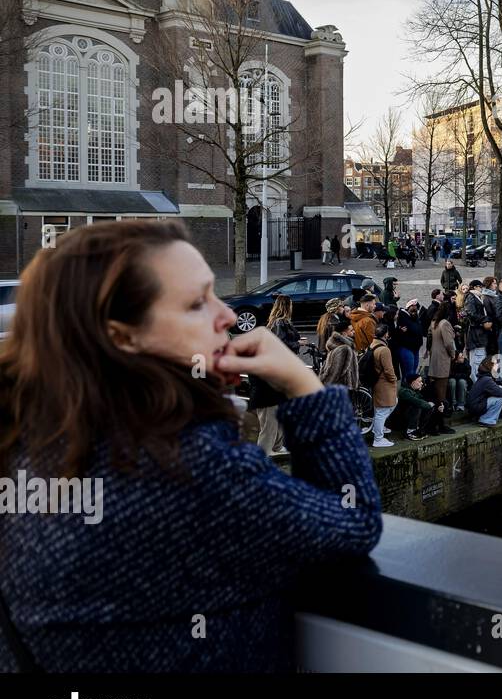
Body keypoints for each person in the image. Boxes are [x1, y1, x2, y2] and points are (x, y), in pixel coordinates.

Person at [0, 220, 381, 673]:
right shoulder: (187, 465)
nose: (224, 315)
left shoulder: (29, 441)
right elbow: (353, 522)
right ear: (123, 336)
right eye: (197, 302)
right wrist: (303, 384)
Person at [256, 294, 302, 455]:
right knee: (271, 418)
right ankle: (265, 452)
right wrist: (298, 343)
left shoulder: (274, 322)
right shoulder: (280, 323)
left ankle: (276, 445)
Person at [368, 322, 400, 447]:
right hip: (384, 383)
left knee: (380, 409)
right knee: (383, 411)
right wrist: (394, 379)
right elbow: (388, 369)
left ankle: (378, 430)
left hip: (377, 382)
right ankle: (378, 438)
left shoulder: (373, 345)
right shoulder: (384, 350)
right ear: (386, 334)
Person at [425, 300, 458, 416]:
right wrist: (453, 354)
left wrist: (428, 350)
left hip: (434, 357)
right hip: (443, 358)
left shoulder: (434, 322)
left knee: (435, 386)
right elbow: (449, 343)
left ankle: (438, 409)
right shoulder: (445, 323)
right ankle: (441, 412)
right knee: (441, 387)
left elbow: (429, 338)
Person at [397, 375, 448, 439]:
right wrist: (430, 404)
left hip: (408, 418)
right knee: (418, 406)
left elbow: (425, 401)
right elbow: (418, 402)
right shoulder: (404, 391)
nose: (422, 383)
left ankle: (420, 429)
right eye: (420, 381)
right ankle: (410, 431)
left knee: (431, 407)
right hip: (400, 420)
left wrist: (438, 407)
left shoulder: (416, 392)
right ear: (413, 382)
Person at [467, 359, 502, 426]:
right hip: (475, 407)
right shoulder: (487, 379)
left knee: (498, 397)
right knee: (499, 400)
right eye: (496, 364)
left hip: (475, 405)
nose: (497, 366)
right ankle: (486, 420)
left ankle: (485, 417)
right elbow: (498, 391)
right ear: (490, 366)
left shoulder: (484, 377)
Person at [321, 317, 359, 390]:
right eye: (351, 330)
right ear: (344, 334)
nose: (353, 332)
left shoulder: (340, 346)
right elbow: (335, 371)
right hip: (342, 388)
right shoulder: (344, 349)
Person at [464, 279, 492, 375]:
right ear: (475, 287)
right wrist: (485, 319)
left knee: (480, 357)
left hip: (479, 330)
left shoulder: (477, 296)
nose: (481, 288)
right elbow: (471, 313)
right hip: (475, 331)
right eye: (480, 287)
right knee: (476, 359)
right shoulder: (471, 296)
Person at [393, 299, 423, 382]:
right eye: (413, 307)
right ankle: (405, 391)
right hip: (406, 348)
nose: (415, 310)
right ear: (408, 307)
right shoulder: (403, 317)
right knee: (408, 374)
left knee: (413, 373)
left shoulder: (414, 317)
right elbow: (413, 329)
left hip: (415, 348)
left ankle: (411, 391)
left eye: (416, 308)